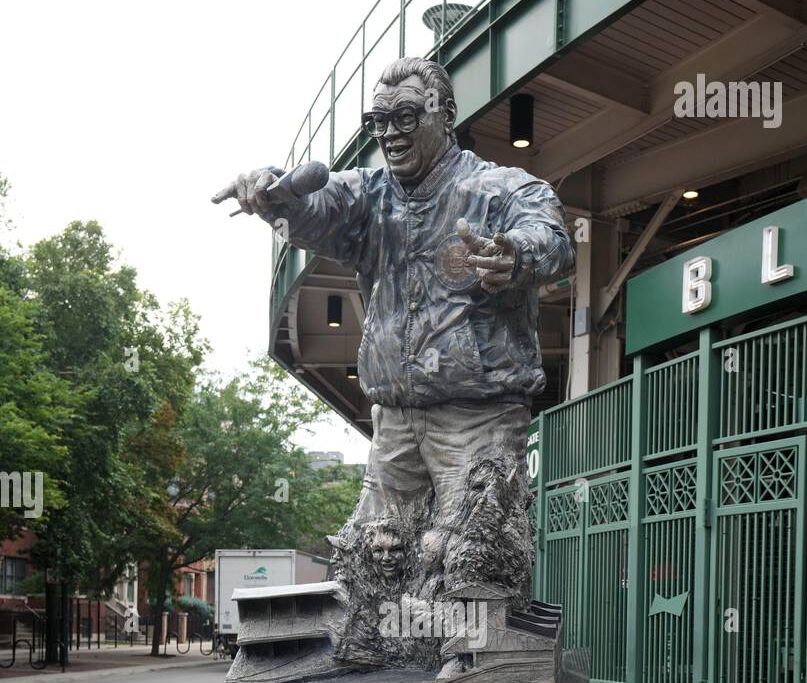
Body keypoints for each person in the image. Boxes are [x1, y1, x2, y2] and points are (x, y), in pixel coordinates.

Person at [214, 56, 574, 570]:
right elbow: (320, 206)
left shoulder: (501, 189)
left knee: (475, 556)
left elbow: (553, 240)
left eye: (405, 117)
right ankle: (379, 652)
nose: (390, 134)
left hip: (480, 418)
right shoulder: (370, 196)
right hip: (395, 424)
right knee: (372, 562)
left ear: (444, 115)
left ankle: (475, 654)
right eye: (378, 122)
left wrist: (514, 254)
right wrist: (277, 195)